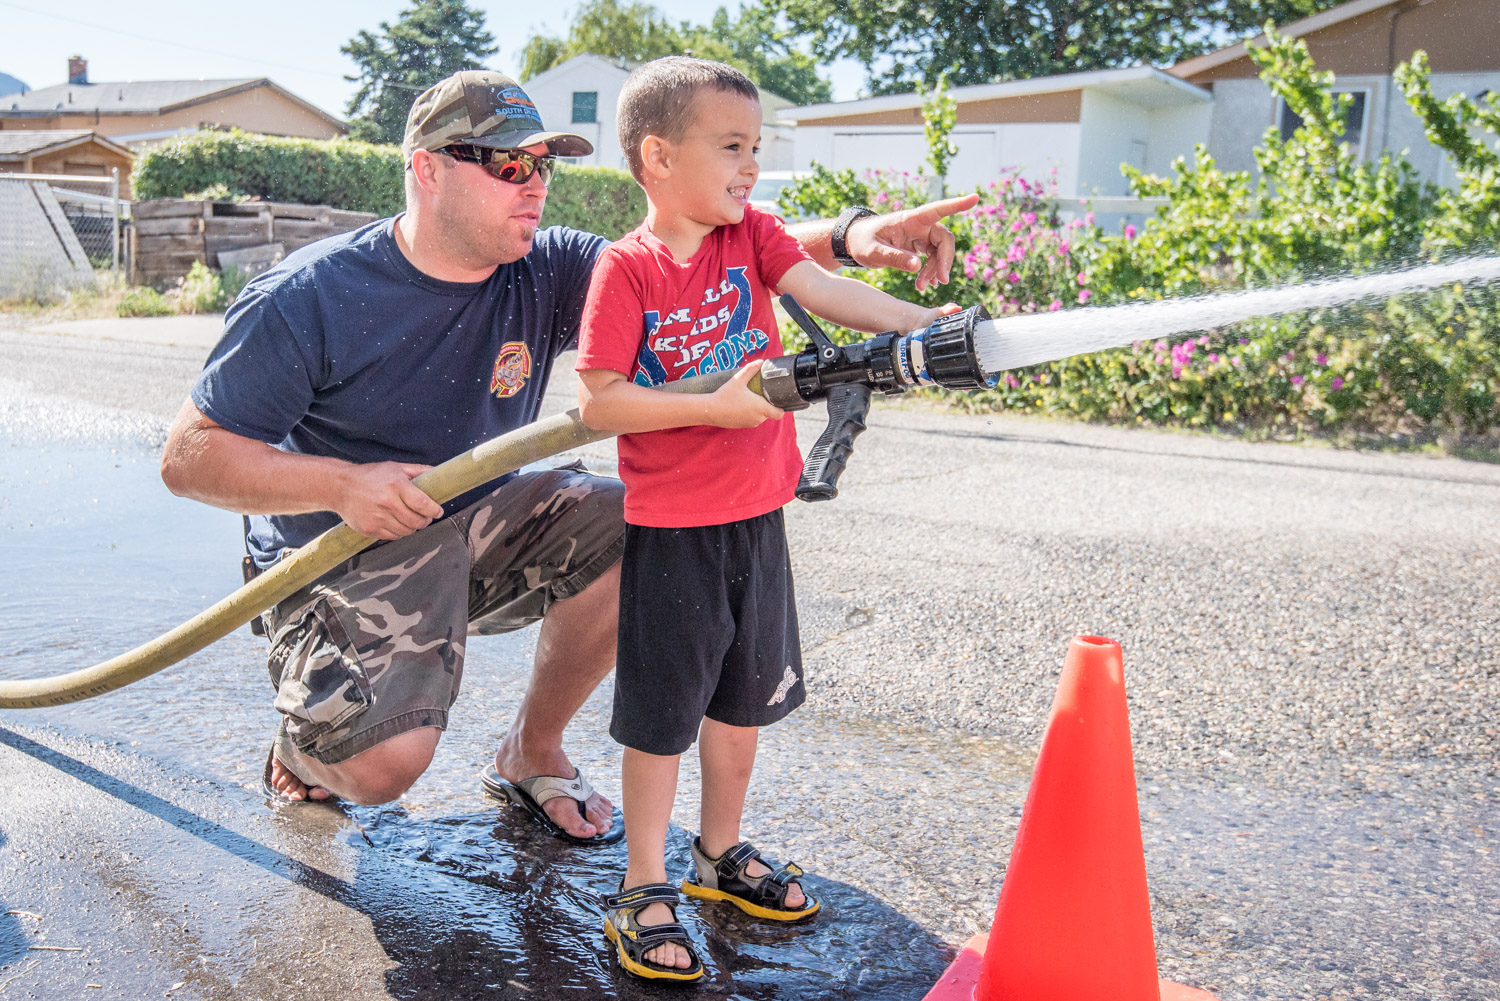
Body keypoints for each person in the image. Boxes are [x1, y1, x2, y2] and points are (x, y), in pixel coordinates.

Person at [159, 68, 977, 845]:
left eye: (543, 164)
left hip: (474, 515)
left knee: (642, 525)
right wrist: (342, 484)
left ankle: (530, 749)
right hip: (340, 552)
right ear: (428, 171)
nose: (535, 184)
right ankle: (307, 750)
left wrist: (854, 238)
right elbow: (189, 457)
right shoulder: (311, 297)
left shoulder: (544, 268)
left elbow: (691, 255)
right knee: (381, 767)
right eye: (509, 163)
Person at [574, 57, 961, 981]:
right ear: (659, 156)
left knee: (742, 704)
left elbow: (829, 294)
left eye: (758, 149)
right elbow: (600, 403)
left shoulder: (752, 235)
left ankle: (718, 851)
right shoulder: (624, 269)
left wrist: (917, 326)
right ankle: (640, 884)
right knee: (663, 715)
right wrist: (711, 406)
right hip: (675, 532)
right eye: (734, 147)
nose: (752, 167)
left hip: (758, 518)